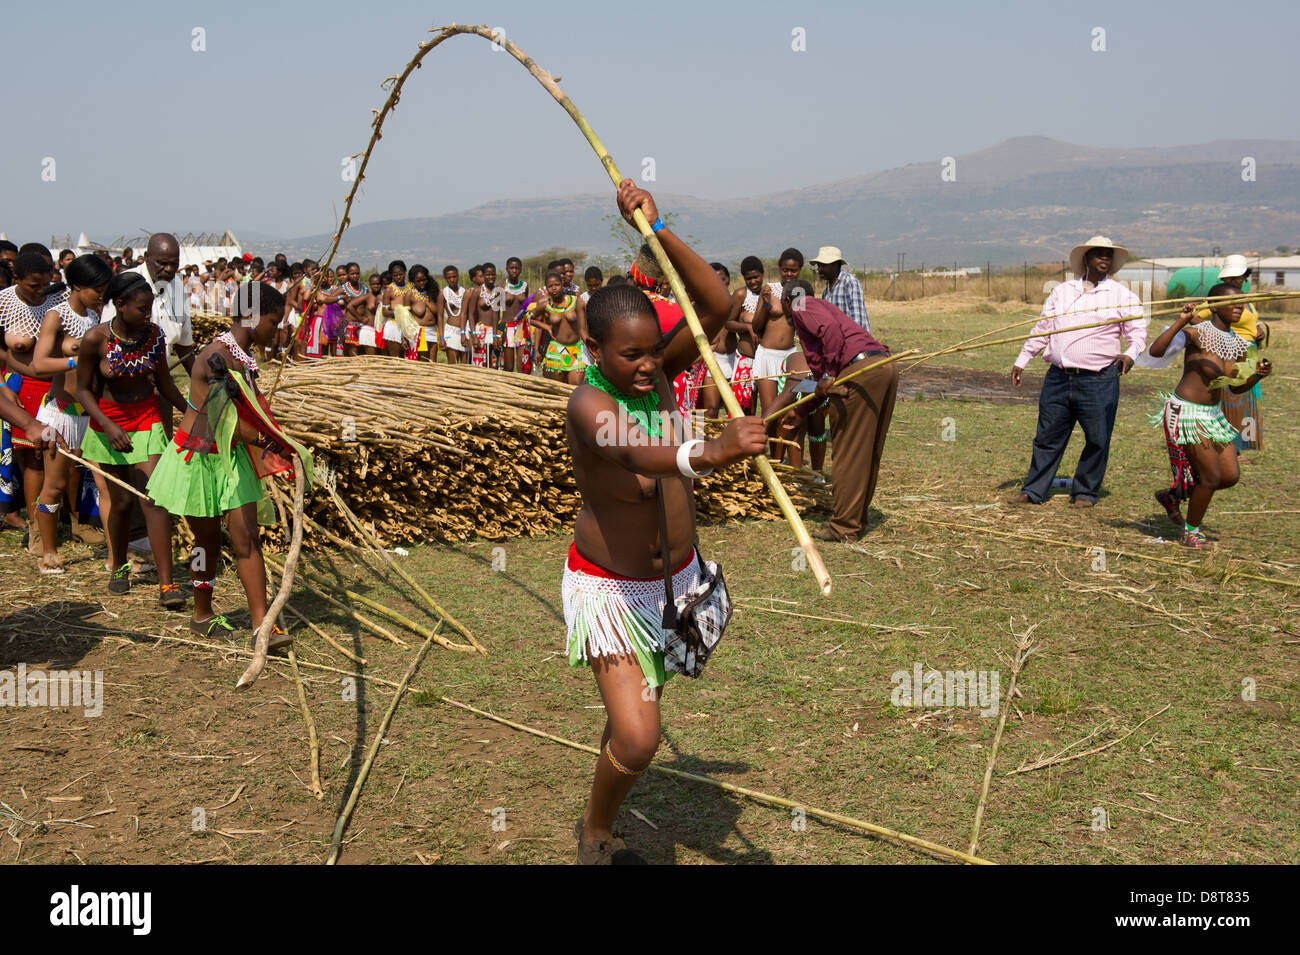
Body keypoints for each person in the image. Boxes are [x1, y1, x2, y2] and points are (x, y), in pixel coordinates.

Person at [564, 180, 765, 864]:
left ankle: (616, 751)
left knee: (631, 728)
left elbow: (717, 301)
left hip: (674, 584)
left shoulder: (654, 368)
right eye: (632, 355)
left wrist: (655, 228)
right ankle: (595, 831)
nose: (650, 366)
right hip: (614, 593)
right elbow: (633, 445)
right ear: (593, 347)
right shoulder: (591, 404)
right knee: (642, 740)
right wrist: (709, 449)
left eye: (656, 350)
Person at [147, 283, 296, 644]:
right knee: (206, 541)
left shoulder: (243, 357)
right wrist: (275, 442)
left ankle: (262, 624)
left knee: (247, 537)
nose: (276, 332)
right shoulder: (215, 357)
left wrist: (278, 437)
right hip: (198, 459)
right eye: (274, 322)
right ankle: (202, 613)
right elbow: (222, 418)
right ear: (252, 317)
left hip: (232, 457)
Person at [1008, 236, 1145, 508]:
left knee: (1097, 438)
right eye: (1098, 254)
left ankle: (1085, 492)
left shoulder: (1122, 295)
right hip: (1059, 377)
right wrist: (1022, 359)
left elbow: (1137, 333)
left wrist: (1129, 354)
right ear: (1086, 259)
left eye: (1108, 255)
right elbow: (1043, 328)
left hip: (1099, 379)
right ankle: (1034, 491)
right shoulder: (1062, 292)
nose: (1104, 259)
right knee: (1047, 436)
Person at [76, 272, 187, 605]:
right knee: (122, 502)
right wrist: (108, 426)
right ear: (120, 306)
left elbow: (164, 384)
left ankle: (167, 585)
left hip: (147, 419)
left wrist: (192, 411)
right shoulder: (96, 339)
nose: (148, 316)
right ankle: (118, 567)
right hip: (109, 423)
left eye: (151, 309)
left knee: (154, 498)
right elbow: (83, 389)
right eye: (142, 309)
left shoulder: (154, 336)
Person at [1148, 286, 1272, 547]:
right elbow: (1156, 351)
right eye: (1233, 303)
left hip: (1213, 415)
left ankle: (1173, 495)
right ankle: (1190, 533)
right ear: (1214, 306)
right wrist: (1181, 320)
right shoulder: (1196, 332)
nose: (1239, 307)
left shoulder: (1239, 344)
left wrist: (1257, 375)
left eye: (1242, 303)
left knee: (1228, 476)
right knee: (1212, 476)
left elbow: (1236, 387)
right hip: (1187, 412)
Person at [781, 279, 896, 542]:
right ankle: (856, 520)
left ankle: (844, 527)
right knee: (868, 450)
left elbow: (830, 340)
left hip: (859, 372)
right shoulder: (820, 306)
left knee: (849, 452)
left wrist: (831, 374)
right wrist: (800, 412)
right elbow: (819, 380)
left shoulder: (801, 305)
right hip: (882, 367)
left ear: (789, 300)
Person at [31, 255, 115, 573]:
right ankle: (48, 551)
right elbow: (39, 364)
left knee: (104, 485)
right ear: (78, 286)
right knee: (54, 485)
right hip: (61, 413)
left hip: (91, 413)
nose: (101, 295)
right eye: (97, 289)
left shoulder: (96, 315)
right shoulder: (56, 315)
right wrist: (73, 361)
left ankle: (114, 555)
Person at [0, 252, 61, 555]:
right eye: (33, 286)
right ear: (17, 280)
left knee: (62, 458)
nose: (40, 291)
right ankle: (36, 527)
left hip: (58, 387)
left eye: (45, 285)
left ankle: (65, 521)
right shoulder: (4, 303)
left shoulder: (58, 302)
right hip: (20, 389)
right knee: (34, 459)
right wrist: (7, 380)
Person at [1212, 254, 1268, 452]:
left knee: (1248, 398)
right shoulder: (1220, 298)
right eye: (1232, 278)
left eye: (1240, 277)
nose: (1237, 281)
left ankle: (1245, 444)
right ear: (1225, 279)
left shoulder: (1248, 299)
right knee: (1231, 398)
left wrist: (1258, 331)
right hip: (1231, 352)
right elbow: (1198, 319)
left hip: (1250, 353)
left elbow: (1251, 322)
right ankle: (1229, 446)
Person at [745, 256, 798, 417]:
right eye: (785, 270)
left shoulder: (801, 291)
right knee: (769, 411)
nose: (789, 273)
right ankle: (770, 443)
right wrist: (766, 303)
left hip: (790, 356)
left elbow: (798, 320)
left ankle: (784, 443)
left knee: (788, 410)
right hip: (767, 356)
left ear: (799, 270)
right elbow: (756, 325)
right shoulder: (769, 289)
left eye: (793, 270)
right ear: (779, 269)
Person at [529, 270, 588, 384]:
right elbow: (529, 318)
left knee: (574, 388)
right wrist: (547, 327)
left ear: (562, 284)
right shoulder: (545, 304)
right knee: (559, 389)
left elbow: (585, 323)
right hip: (556, 350)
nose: (554, 288)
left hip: (576, 349)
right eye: (550, 286)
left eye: (557, 284)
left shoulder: (575, 301)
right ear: (546, 288)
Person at [810, 246, 869, 331]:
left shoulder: (849, 282)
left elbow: (858, 318)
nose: (819, 269)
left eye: (823, 265)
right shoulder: (826, 292)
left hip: (856, 341)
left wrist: (852, 341)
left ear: (836, 265)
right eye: (818, 266)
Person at [438, 266, 469, 364]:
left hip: (465, 330)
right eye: (449, 277)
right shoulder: (443, 294)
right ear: (445, 278)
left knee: (466, 365)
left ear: (458, 276)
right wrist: (441, 337)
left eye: (454, 276)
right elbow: (440, 316)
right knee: (453, 365)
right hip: (451, 331)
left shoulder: (466, 291)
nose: (452, 279)